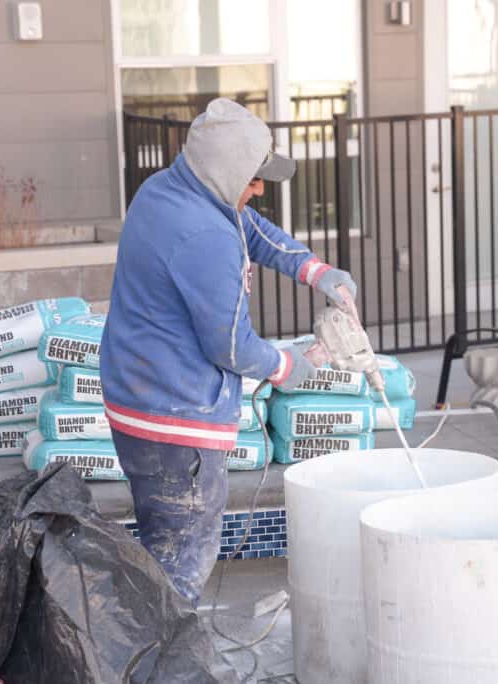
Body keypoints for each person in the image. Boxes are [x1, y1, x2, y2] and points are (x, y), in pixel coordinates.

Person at [100, 98, 357, 605]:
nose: (260, 189)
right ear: (224, 172)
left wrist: (315, 270)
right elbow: (231, 348)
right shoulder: (206, 237)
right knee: (181, 560)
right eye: (254, 177)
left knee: (162, 548)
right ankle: (165, 664)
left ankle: (152, 651)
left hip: (137, 397)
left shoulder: (167, 192)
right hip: (175, 422)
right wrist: (292, 366)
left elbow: (252, 228)